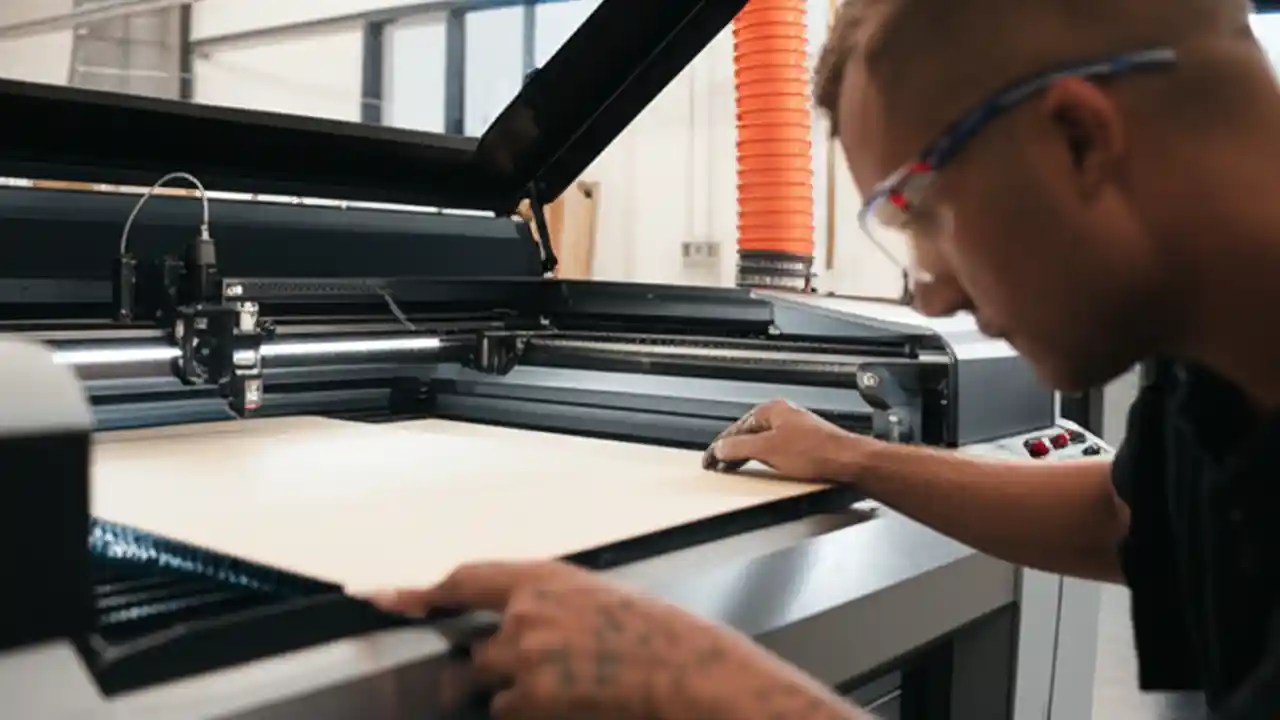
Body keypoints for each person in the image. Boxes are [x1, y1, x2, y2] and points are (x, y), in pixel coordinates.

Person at [368, 0, 1280, 717]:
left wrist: (719, 691)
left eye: (923, 217)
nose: (930, 296)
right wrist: (857, 458)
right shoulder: (1218, 369)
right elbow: (1122, 517)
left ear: (1078, 140)